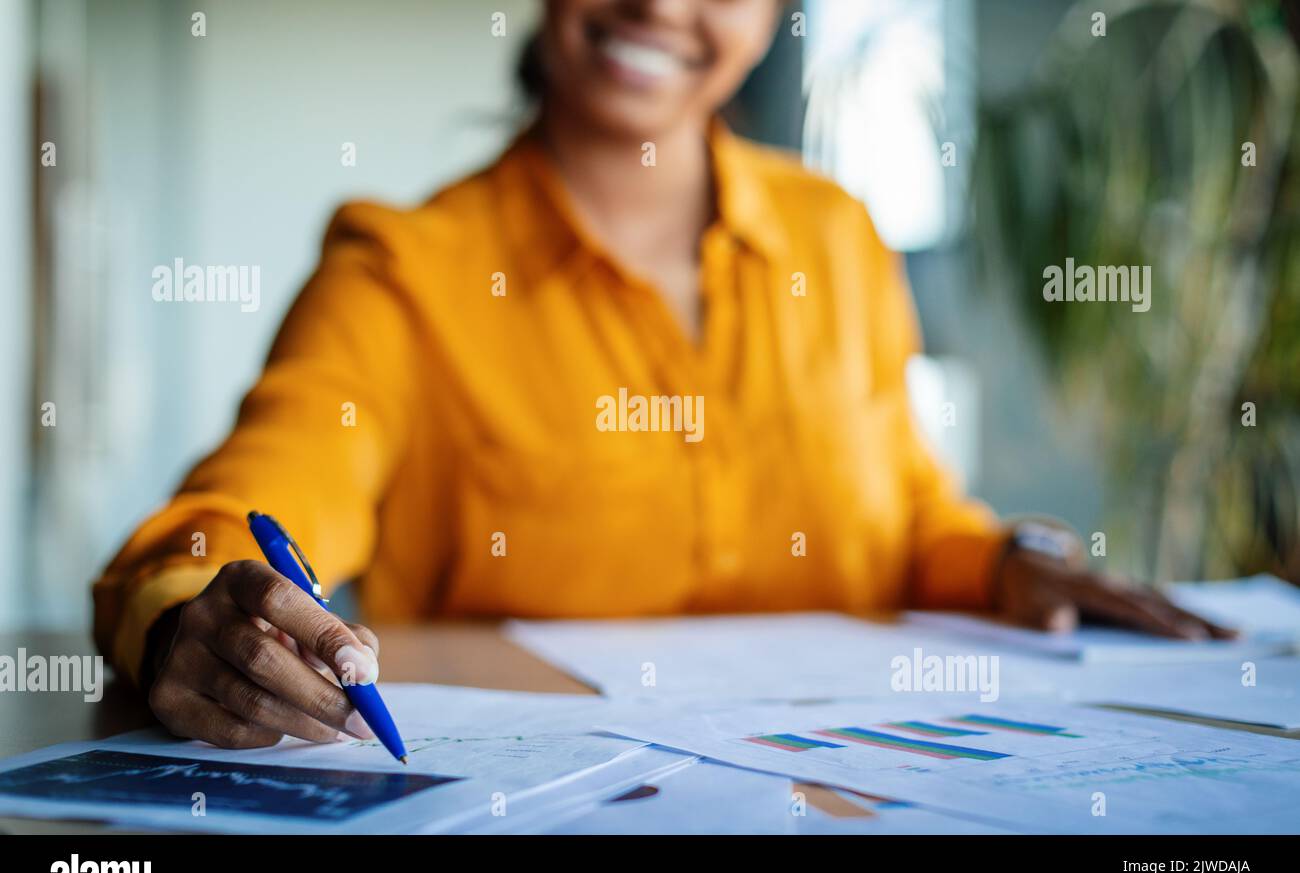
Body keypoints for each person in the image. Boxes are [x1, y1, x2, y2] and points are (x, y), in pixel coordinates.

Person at [94, 0, 1232, 749]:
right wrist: (190, 611)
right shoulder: (403, 272)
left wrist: (1001, 563)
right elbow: (256, 501)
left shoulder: (836, 238)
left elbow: (904, 516)